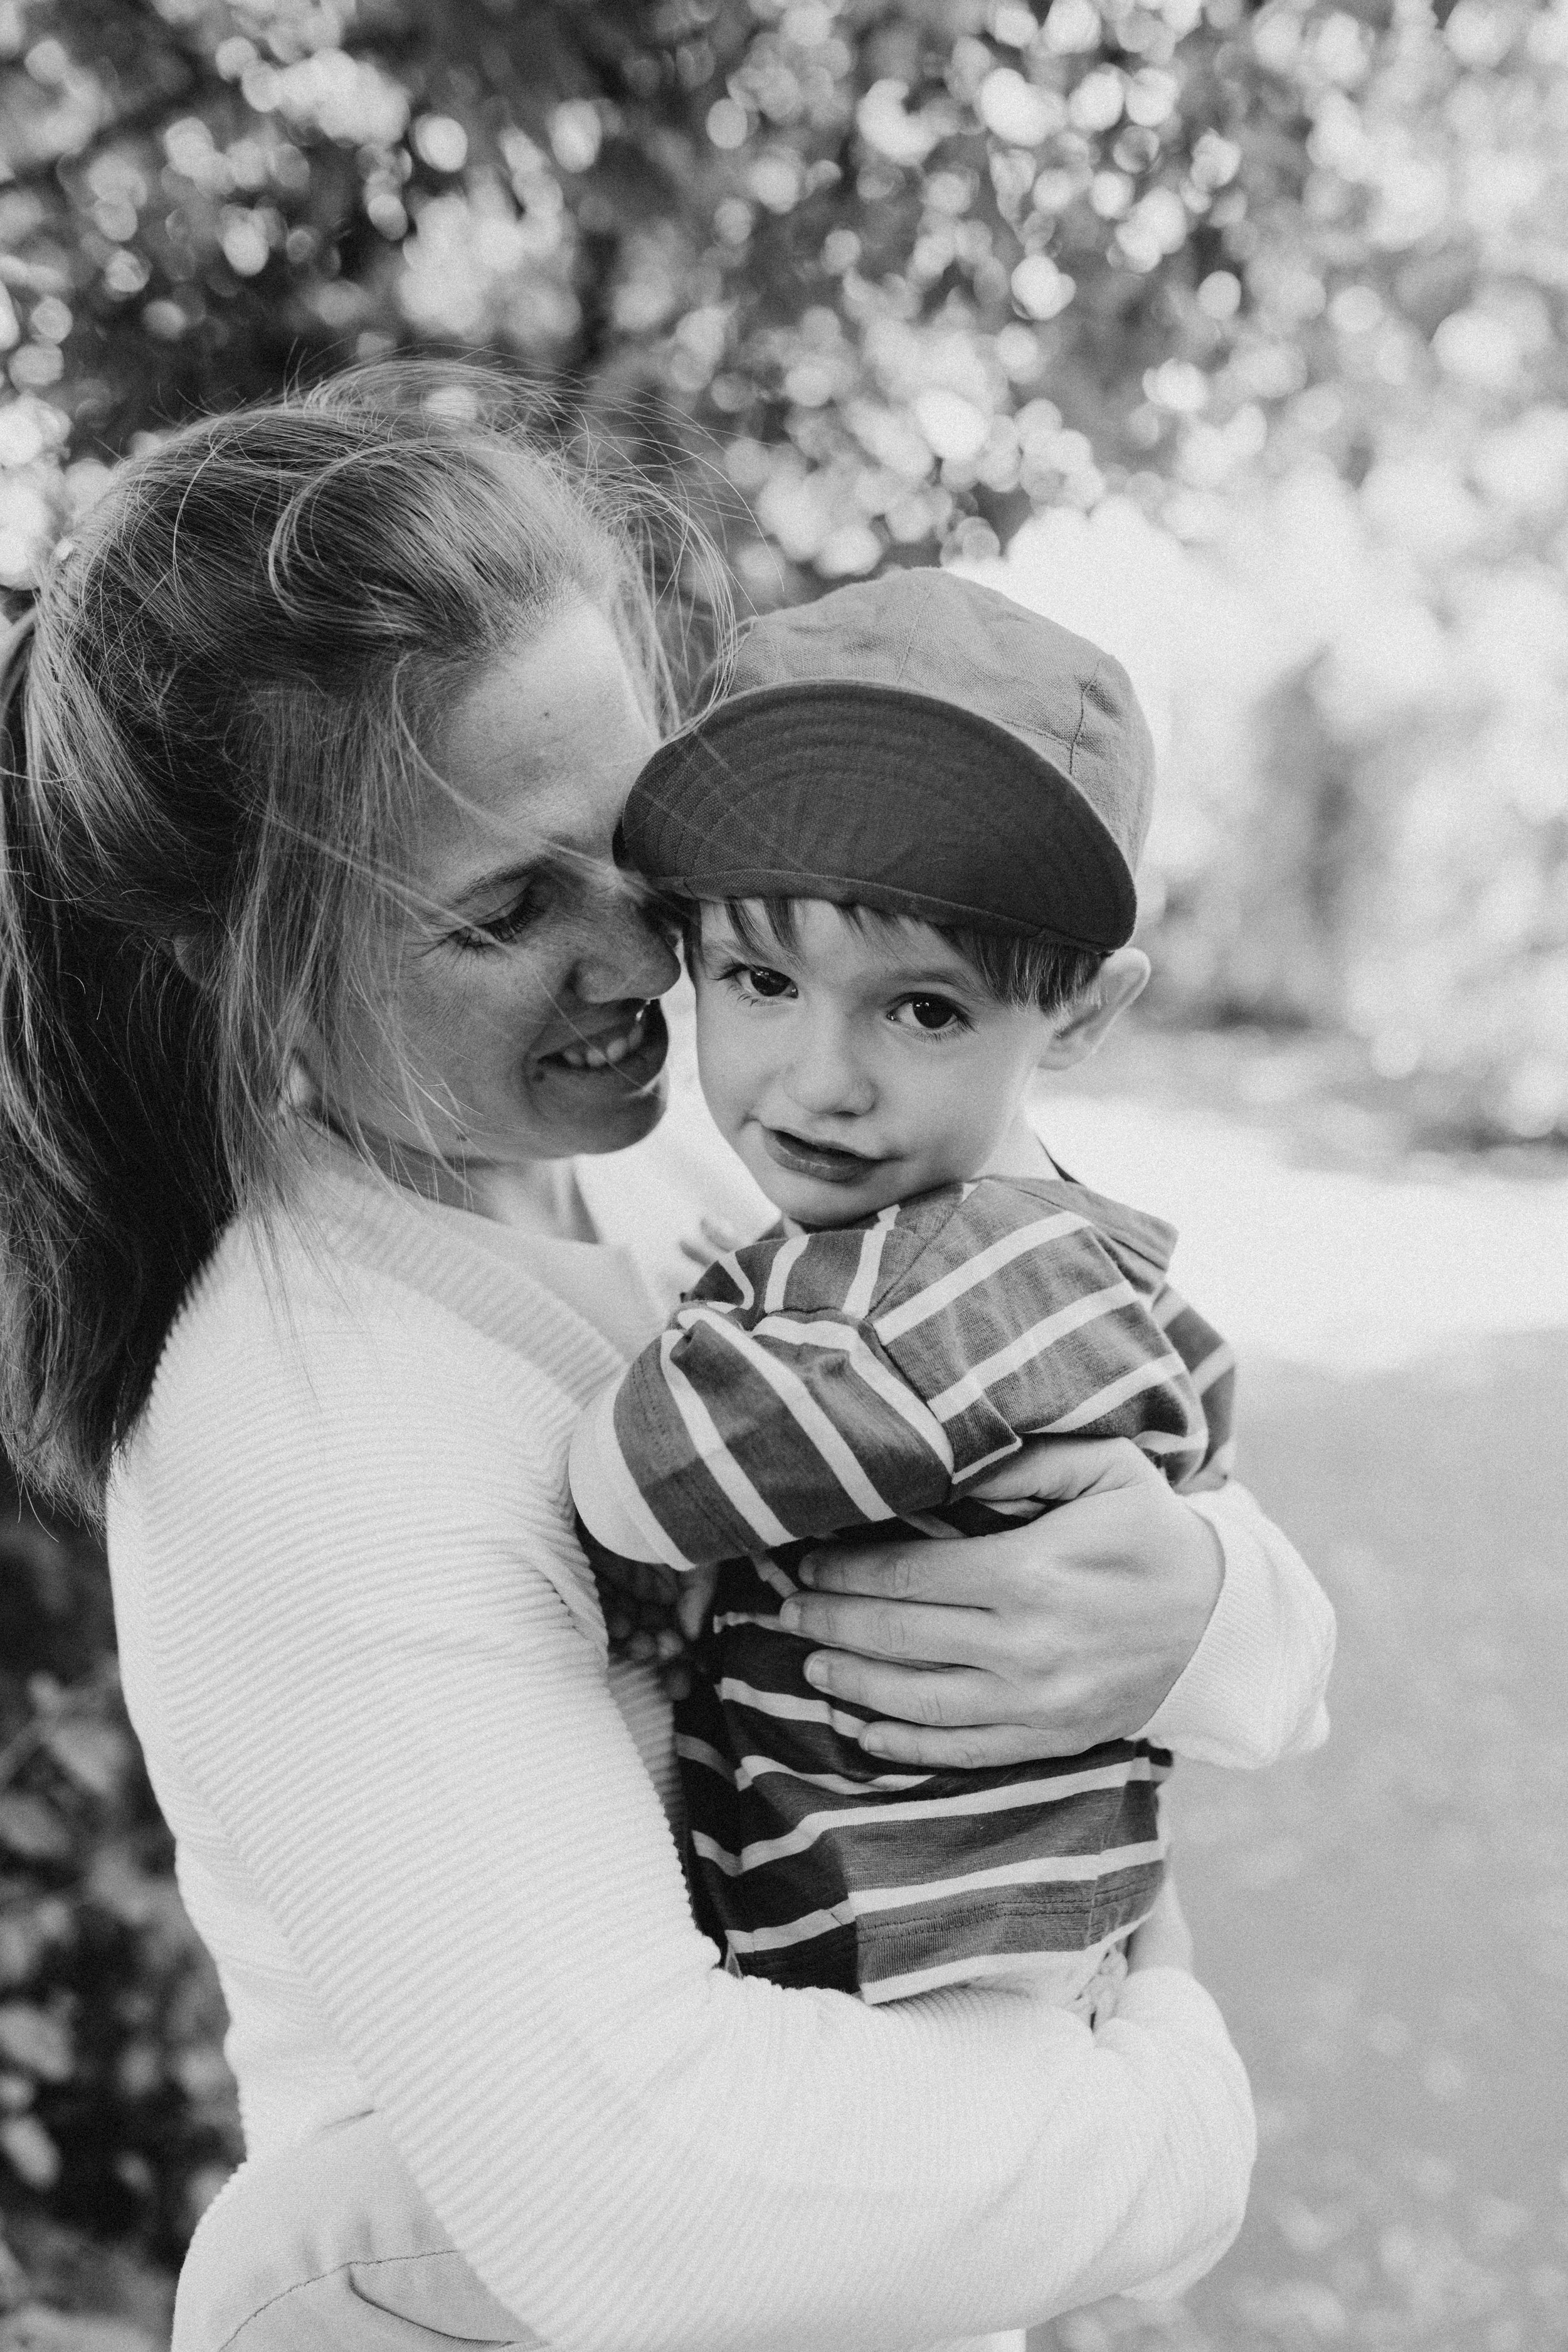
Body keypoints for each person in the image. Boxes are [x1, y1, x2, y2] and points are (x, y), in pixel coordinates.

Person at [0, 365, 1332, 2350]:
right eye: (505, 911)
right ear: (234, 954)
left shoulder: (699, 1143)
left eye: (632, 837)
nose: (646, 957)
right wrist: (1179, 2118)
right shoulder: (309, 1438)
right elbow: (662, 2205)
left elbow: (1146, 1459)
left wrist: (1197, 1604)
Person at [570, 569, 1255, 2015]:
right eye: (757, 979)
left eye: (924, 1008)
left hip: (912, 1971)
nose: (821, 1079)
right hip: (1016, 1938)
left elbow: (633, 1488)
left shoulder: (906, 1289)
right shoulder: (1094, 1262)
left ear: (1078, 1012)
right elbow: (1204, 1422)